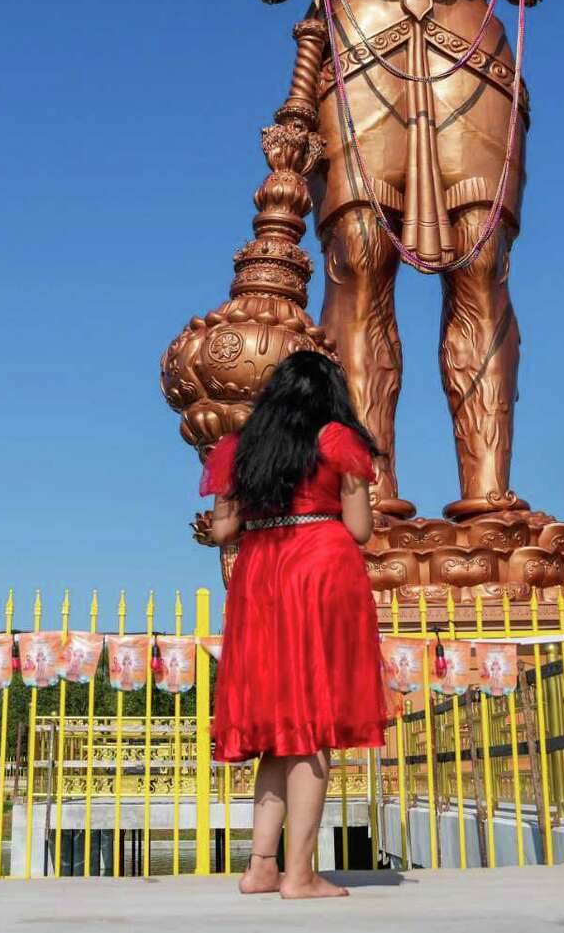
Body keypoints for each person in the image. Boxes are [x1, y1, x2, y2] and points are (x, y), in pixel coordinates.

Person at [200, 350, 383, 900]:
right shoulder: (337, 441)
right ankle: (299, 874)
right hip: (320, 568)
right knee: (310, 730)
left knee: (277, 734)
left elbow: (222, 532)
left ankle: (260, 867)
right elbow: (360, 530)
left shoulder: (240, 448)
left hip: (261, 571)